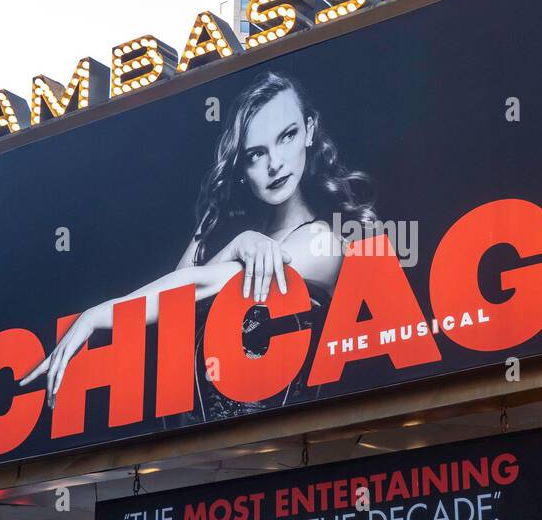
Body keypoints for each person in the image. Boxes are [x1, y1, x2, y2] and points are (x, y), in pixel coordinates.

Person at [19, 72, 373, 422]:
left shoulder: (320, 241)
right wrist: (225, 232)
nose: (274, 163)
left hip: (287, 450)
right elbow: (178, 307)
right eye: (255, 154)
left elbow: (199, 287)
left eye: (288, 136)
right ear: (242, 166)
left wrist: (96, 315)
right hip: (204, 448)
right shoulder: (245, 238)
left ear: (310, 130)